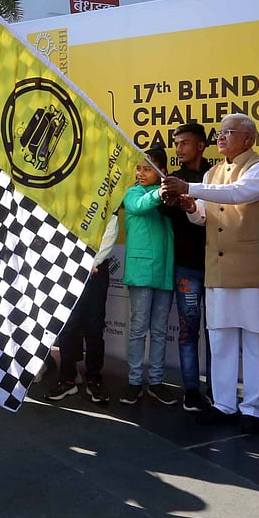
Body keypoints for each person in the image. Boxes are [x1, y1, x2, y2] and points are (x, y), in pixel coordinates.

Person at [162, 113, 259, 435]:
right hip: (218, 269)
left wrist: (190, 187)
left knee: (258, 341)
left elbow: (239, 194)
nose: (221, 137)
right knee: (221, 339)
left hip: (255, 269)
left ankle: (254, 409)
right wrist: (191, 207)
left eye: (229, 132)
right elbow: (205, 215)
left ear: (249, 138)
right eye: (219, 132)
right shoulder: (214, 171)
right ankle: (225, 404)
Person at [119, 148, 176, 406]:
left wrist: (168, 193)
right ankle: (134, 382)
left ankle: (155, 381)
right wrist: (161, 192)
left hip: (165, 272)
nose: (140, 173)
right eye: (139, 168)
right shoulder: (133, 193)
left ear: (161, 171)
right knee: (138, 330)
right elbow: (139, 206)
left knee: (160, 331)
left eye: (147, 169)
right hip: (142, 273)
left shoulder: (168, 198)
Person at [162, 123, 213, 411]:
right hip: (187, 267)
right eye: (176, 144)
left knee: (217, 334)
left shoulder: (216, 175)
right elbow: (163, 209)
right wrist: (168, 199)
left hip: (220, 266)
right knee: (188, 330)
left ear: (201, 145)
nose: (179, 149)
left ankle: (219, 392)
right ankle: (191, 390)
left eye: (184, 143)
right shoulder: (172, 179)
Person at [43, 213, 118, 405]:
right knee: (68, 326)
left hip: (95, 270)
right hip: (67, 268)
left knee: (94, 326)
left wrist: (93, 262)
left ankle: (94, 379)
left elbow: (111, 229)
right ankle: (67, 379)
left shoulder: (104, 191)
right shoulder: (66, 192)